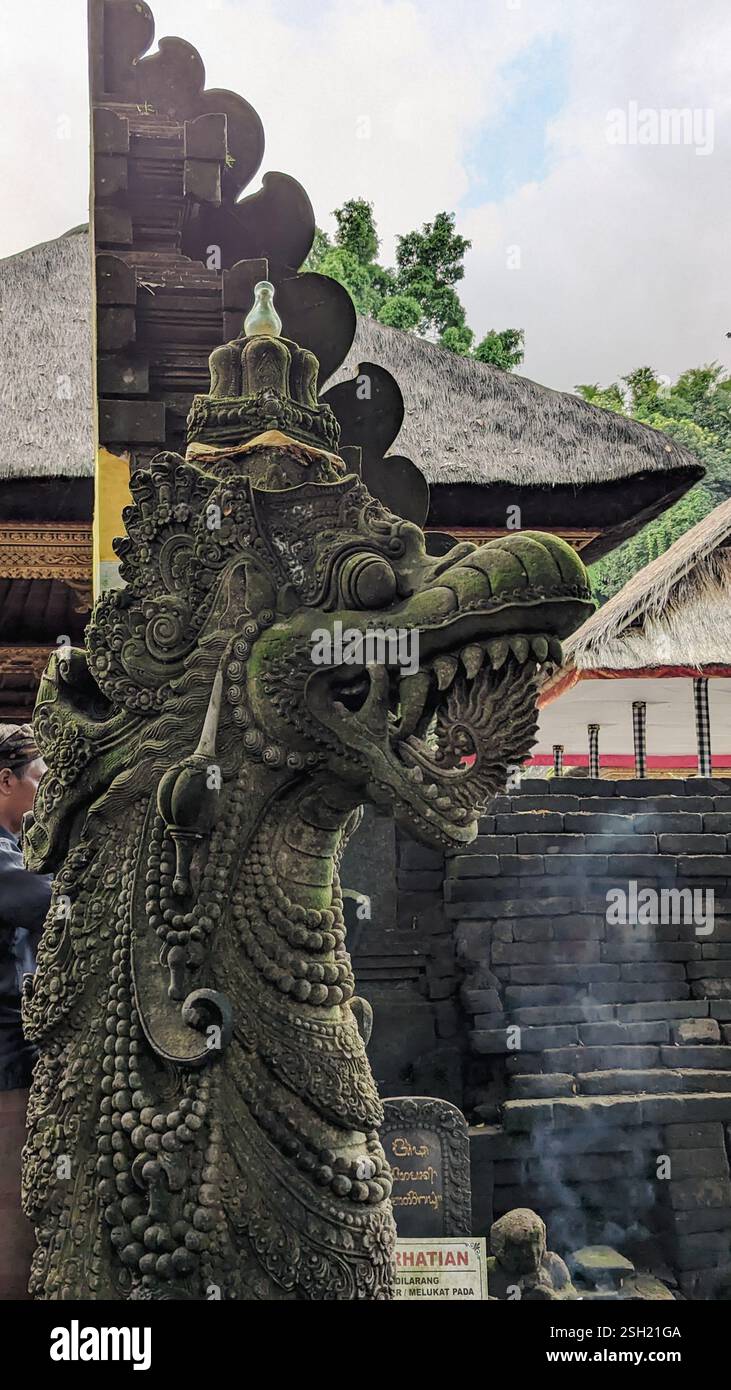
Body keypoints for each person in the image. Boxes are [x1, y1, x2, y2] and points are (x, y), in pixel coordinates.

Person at [0, 723, 51, 1299]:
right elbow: (40, 900)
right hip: (5, 1055)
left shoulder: (15, 847)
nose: (47, 789)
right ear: (6, 780)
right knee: (13, 1202)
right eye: (40, 778)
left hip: (18, 1046)